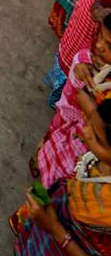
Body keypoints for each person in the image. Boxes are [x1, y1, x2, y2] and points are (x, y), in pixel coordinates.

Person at [4, 102, 111, 256]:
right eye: (90, 123)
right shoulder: (95, 164)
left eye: (98, 139)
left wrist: (56, 231)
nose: (84, 132)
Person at [34, 13, 111, 190]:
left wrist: (86, 104)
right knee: (52, 142)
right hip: (68, 124)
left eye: (109, 45)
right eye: (100, 37)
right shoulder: (92, 59)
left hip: (82, 150)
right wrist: (79, 69)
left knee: (60, 178)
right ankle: (41, 164)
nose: (99, 46)